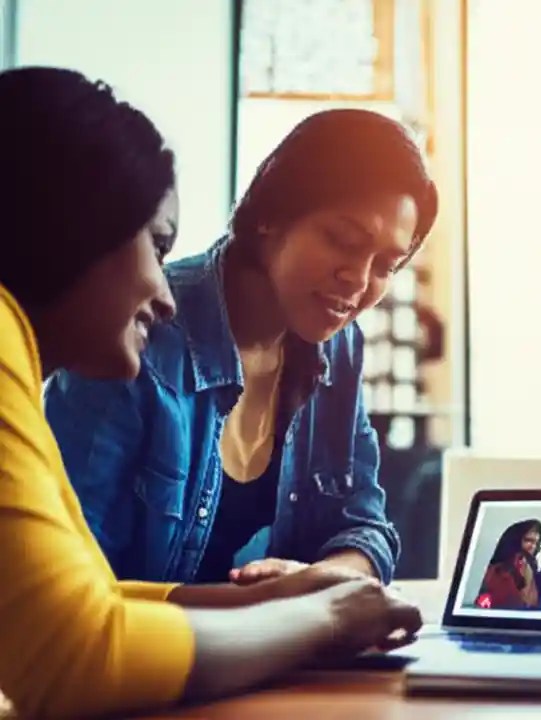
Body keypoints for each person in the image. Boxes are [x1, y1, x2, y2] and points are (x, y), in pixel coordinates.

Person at [0, 66, 422, 719]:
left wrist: (312, 595)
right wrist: (322, 617)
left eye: (388, 267)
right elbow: (77, 643)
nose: (164, 294)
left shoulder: (336, 346)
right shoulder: (81, 349)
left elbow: (82, 599)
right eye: (157, 243)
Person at [43, 107, 439, 587]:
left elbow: (363, 525)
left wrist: (324, 584)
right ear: (272, 213)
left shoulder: (338, 348)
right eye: (342, 240)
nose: (358, 281)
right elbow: (68, 582)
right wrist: (288, 610)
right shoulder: (140, 332)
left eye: (386, 265)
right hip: (143, 658)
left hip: (284, 653)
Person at [476, 520, 541, 610]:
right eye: (528, 540)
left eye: (536, 543)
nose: (533, 546)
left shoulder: (529, 563)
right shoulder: (500, 568)